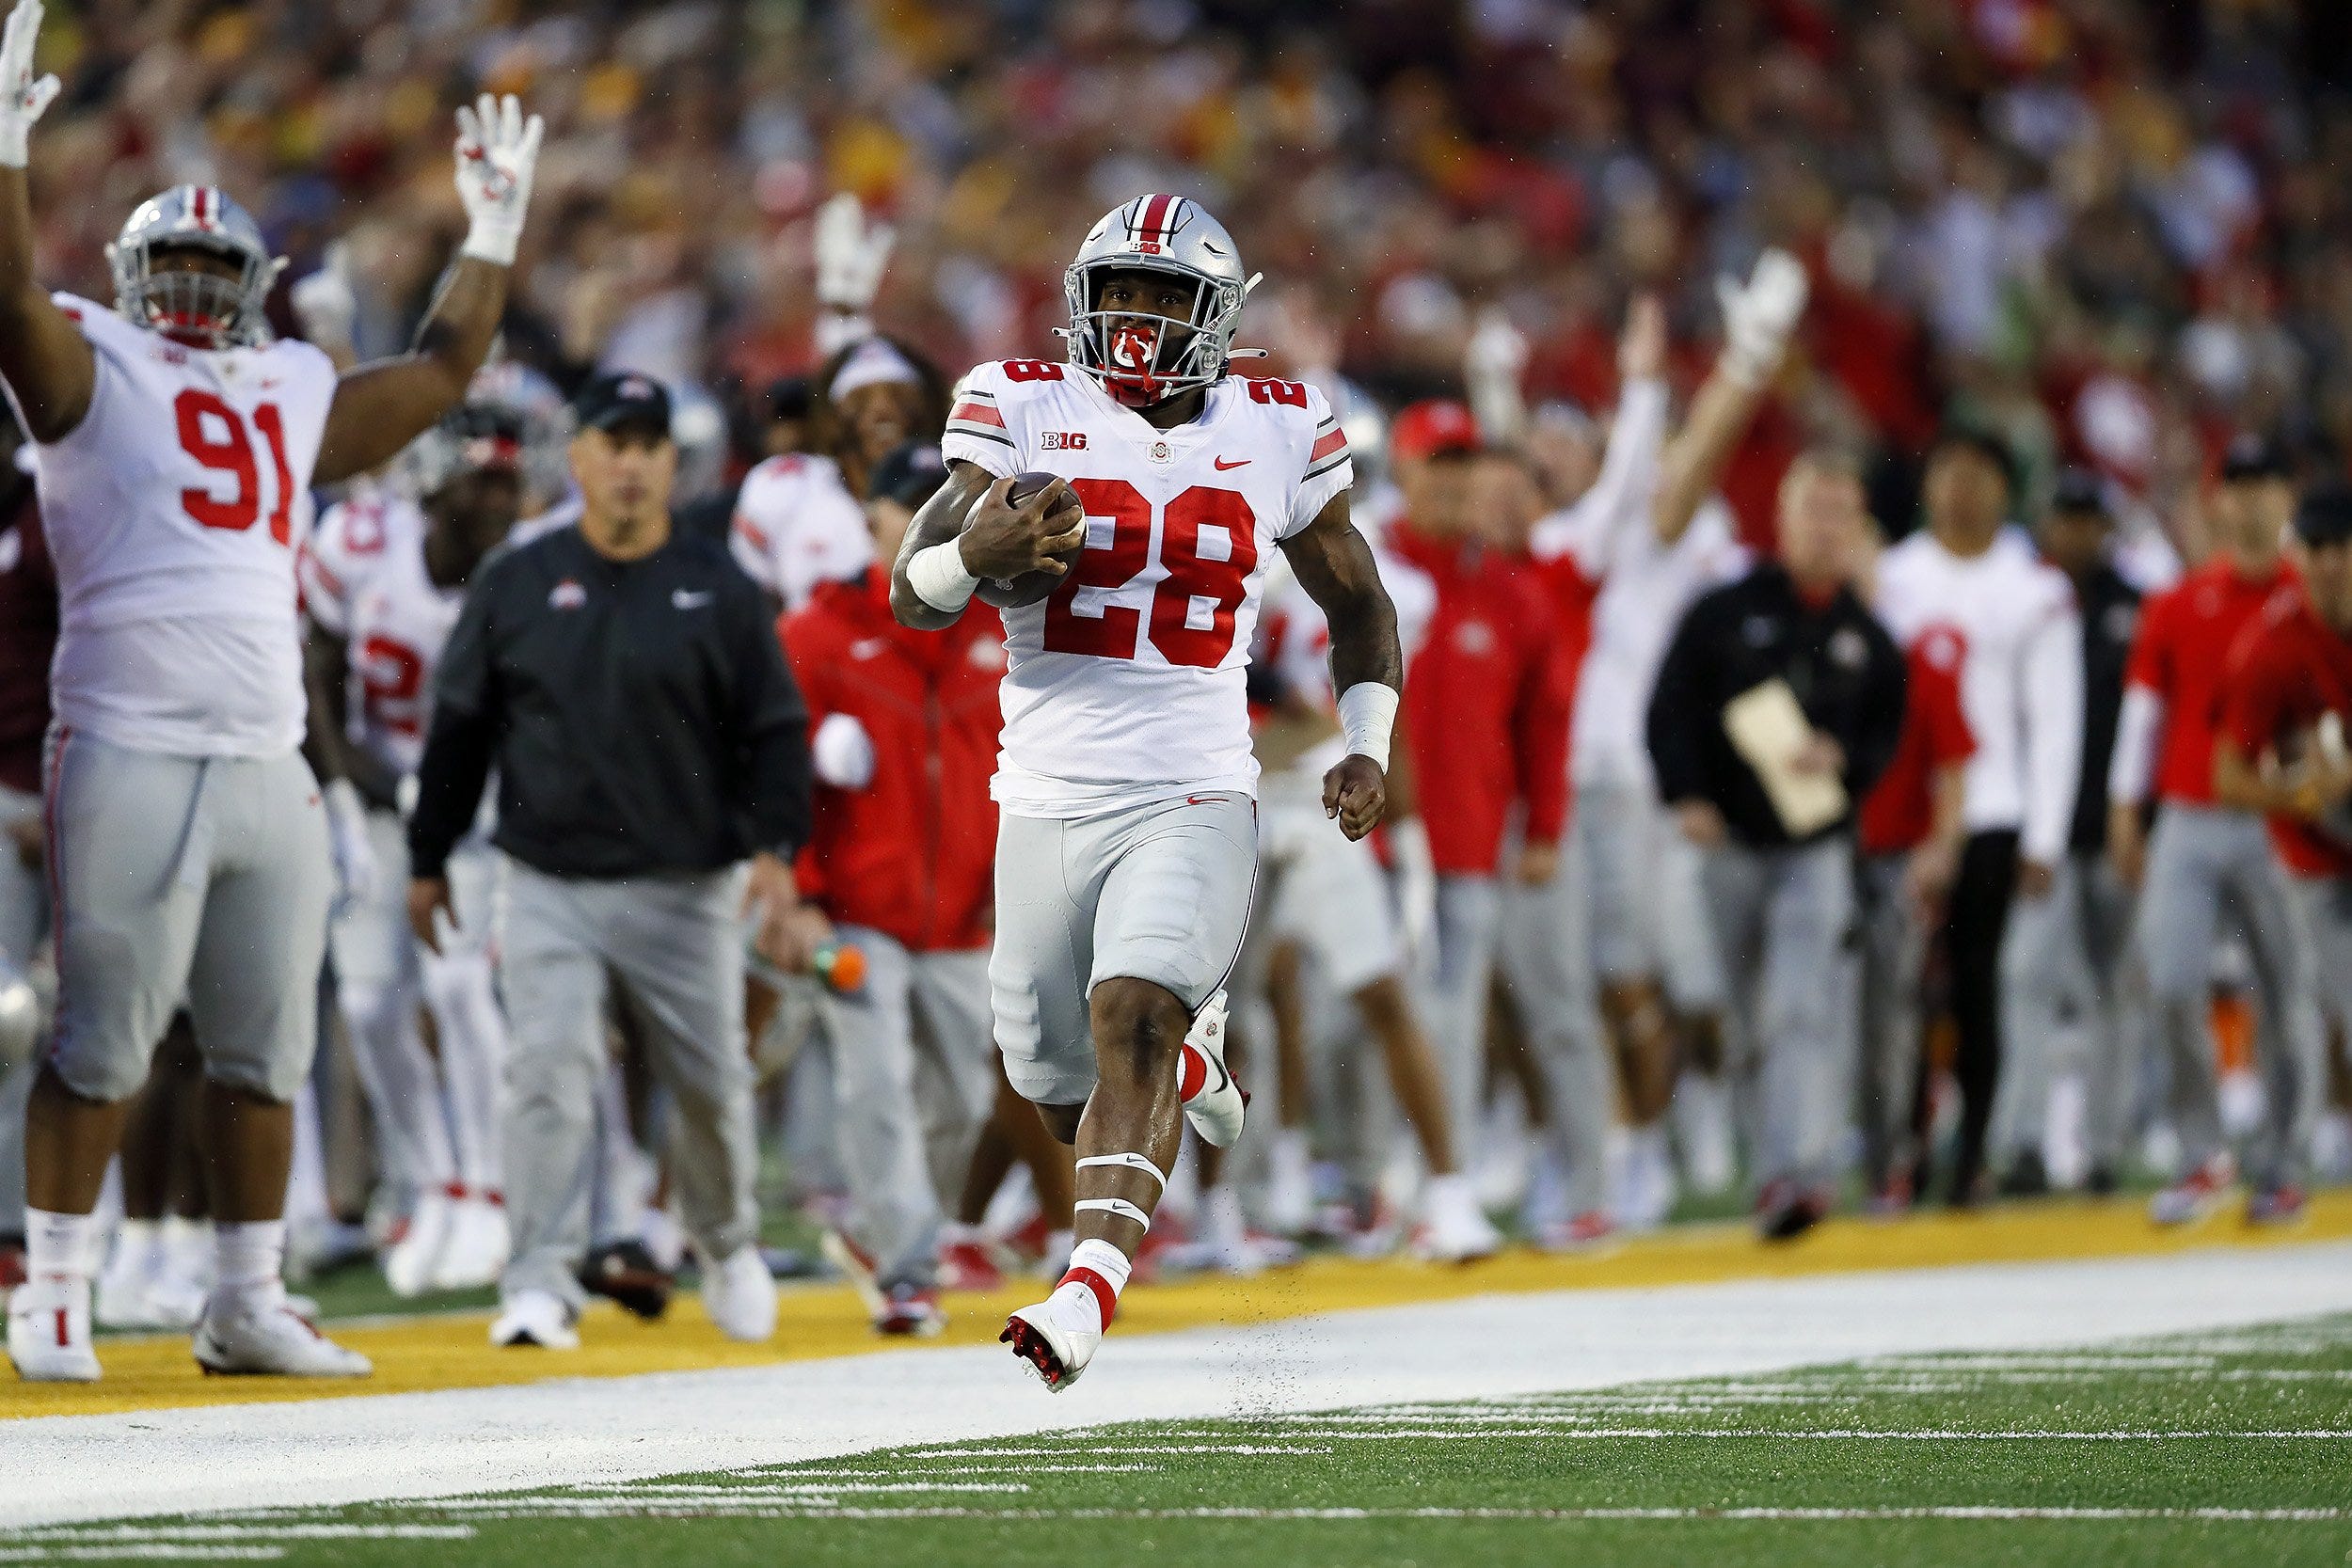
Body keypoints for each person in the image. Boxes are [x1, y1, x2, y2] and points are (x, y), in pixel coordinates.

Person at [1, 0, 545, 1378]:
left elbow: (437, 372)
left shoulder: (292, 381)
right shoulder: (90, 358)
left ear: (250, 280)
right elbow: (8, 302)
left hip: (267, 756)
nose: (186, 286)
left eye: (207, 264)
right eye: (167, 262)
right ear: (131, 278)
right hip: (126, 736)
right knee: (104, 1031)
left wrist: (490, 234)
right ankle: (53, 1288)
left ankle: (246, 1294)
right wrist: (3, 158)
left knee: (264, 1046)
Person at [897, 194, 1402, 1390]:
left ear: (1217, 315)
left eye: (1167, 294)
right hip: (1042, 787)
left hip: (1194, 782)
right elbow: (910, 588)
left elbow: (1357, 603)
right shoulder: (1020, 405)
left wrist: (1367, 737)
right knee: (1047, 1072)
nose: (1138, 314)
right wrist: (975, 557)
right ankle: (1186, 1068)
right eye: (1121, 287)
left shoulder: (1281, 425)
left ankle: (1085, 1292)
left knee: (1134, 1007)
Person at [405, 372, 813, 1350]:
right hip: (549, 877)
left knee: (712, 1080)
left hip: (687, 881)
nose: (629, 463)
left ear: (672, 462)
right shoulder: (516, 578)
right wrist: (426, 859)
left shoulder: (719, 584)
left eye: (647, 445)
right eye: (611, 443)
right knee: (544, 1071)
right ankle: (538, 1275)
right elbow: (459, 728)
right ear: (577, 456)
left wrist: (775, 848)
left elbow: (775, 727)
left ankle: (722, 1242)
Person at [1563, 251, 1808, 1227]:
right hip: (1605, 775)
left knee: (1698, 976)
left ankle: (1707, 1110)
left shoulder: (1678, 525)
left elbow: (1689, 468)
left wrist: (1745, 362)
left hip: (1674, 779)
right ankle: (1648, 1133)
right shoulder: (1593, 532)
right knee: (1621, 973)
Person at [771, 441, 1007, 1335]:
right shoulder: (817, 633)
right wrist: (792, 888)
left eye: (945, 501)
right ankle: (909, 1267)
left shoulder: (996, 625)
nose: (928, 517)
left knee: (968, 1097)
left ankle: (891, 1232)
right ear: (869, 519)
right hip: (853, 908)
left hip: (962, 911)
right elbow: (773, 771)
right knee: (872, 1080)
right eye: (909, 503)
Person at [1647, 450, 1907, 1238]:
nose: (1827, 529)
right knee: (1739, 1012)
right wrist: (1686, 795)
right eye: (1814, 511)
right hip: (1728, 839)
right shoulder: (1723, 610)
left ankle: (1803, 1169)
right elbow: (1670, 709)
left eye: (1842, 514)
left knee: (1801, 1005)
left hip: (1814, 846)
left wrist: (1847, 765)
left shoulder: (1869, 638)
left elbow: (1883, 735)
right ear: (1785, 520)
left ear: (1860, 529)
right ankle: (1772, 1164)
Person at [300, 402, 528, 1294]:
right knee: (365, 1004)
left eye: (512, 480)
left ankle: (488, 1190)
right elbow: (314, 661)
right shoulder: (361, 543)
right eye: (488, 480)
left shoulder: (521, 570)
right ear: (436, 487)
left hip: (474, 807)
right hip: (372, 796)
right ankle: (429, 1182)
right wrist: (351, 776)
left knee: (461, 985)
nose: (505, 500)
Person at [2113, 437, 2324, 1226]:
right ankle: (2205, 1152)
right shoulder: (2179, 602)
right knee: (2168, 979)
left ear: (2287, 501)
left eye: (2268, 483)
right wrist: (2124, 806)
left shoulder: (2319, 599)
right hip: (2192, 812)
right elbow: (2146, 711)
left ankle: (2283, 1161)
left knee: (2287, 992)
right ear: (2218, 502)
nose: (2255, 500)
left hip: (2283, 818)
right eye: (2240, 485)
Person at [1877, 427, 2083, 1205]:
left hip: (1995, 807)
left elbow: (2054, 719)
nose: (1962, 489)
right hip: (1903, 814)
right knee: (1898, 993)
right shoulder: (1893, 577)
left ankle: (1972, 1158)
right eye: (1949, 471)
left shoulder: (2033, 589)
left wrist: (2046, 834)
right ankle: (1902, 1152)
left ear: (2005, 488)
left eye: (1978, 474)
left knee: (1975, 990)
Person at [1385, 400, 1570, 1227]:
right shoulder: (1361, 566)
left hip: (1467, 840)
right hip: (1366, 841)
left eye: (1465, 465)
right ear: (1404, 471)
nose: (1455, 483)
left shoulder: (1511, 593)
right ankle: (1359, 1181)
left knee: (1453, 1021)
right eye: (1439, 464)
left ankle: (1439, 1185)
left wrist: (1547, 827)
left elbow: (1545, 719)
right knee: (1348, 1019)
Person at [1992, 470, 2143, 1194]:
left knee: (2113, 988)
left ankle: (2104, 1146)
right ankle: (2022, 1140)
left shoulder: (2135, 609)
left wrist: (2140, 819)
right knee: (2027, 977)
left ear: (2104, 528)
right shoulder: (2023, 600)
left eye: (2087, 519)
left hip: (2113, 831)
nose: (2076, 532)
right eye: (2065, 517)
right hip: (2043, 832)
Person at [2211, 484, 2352, 1224]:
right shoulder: (2272, 644)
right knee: (2310, 1004)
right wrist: (2302, 792)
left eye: (2343, 550)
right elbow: (2228, 774)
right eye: (2317, 551)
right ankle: (2286, 1162)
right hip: (2316, 857)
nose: (2330, 566)